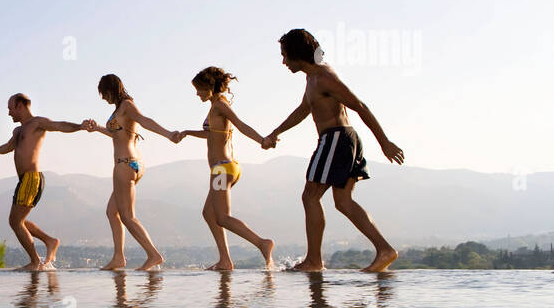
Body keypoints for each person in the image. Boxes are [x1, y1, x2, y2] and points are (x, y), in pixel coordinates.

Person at [263, 29, 404, 272]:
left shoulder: (324, 77)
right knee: (343, 201)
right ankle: (385, 250)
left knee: (310, 197)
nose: (283, 61)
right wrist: (275, 132)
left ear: (297, 55)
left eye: (285, 55)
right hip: (343, 140)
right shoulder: (311, 79)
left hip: (336, 140)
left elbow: (359, 106)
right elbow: (303, 110)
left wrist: (385, 142)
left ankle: (314, 261)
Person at [172, 67, 276, 270]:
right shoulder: (215, 107)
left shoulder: (220, 105)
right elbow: (213, 135)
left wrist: (262, 140)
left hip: (222, 169)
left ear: (210, 86)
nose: (197, 93)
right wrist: (187, 132)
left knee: (222, 217)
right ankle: (225, 260)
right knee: (209, 213)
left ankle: (262, 243)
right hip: (224, 168)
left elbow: (240, 124)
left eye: (199, 89)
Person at [81, 73, 180, 271]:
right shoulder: (120, 109)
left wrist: (169, 134)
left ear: (111, 89)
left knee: (127, 216)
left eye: (104, 93)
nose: (103, 98)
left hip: (125, 164)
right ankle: (119, 258)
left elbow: (145, 121)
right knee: (112, 212)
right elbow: (116, 134)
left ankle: (154, 255)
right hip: (130, 164)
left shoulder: (127, 105)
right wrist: (97, 128)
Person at [0, 93, 88, 271]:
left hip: (32, 178)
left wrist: (80, 126)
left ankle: (35, 261)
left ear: (20, 106)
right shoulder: (18, 131)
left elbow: (59, 126)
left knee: (15, 222)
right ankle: (49, 241)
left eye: (10, 108)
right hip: (24, 180)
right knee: (18, 220)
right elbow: (7, 147)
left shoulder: (37, 123)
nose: (9, 113)